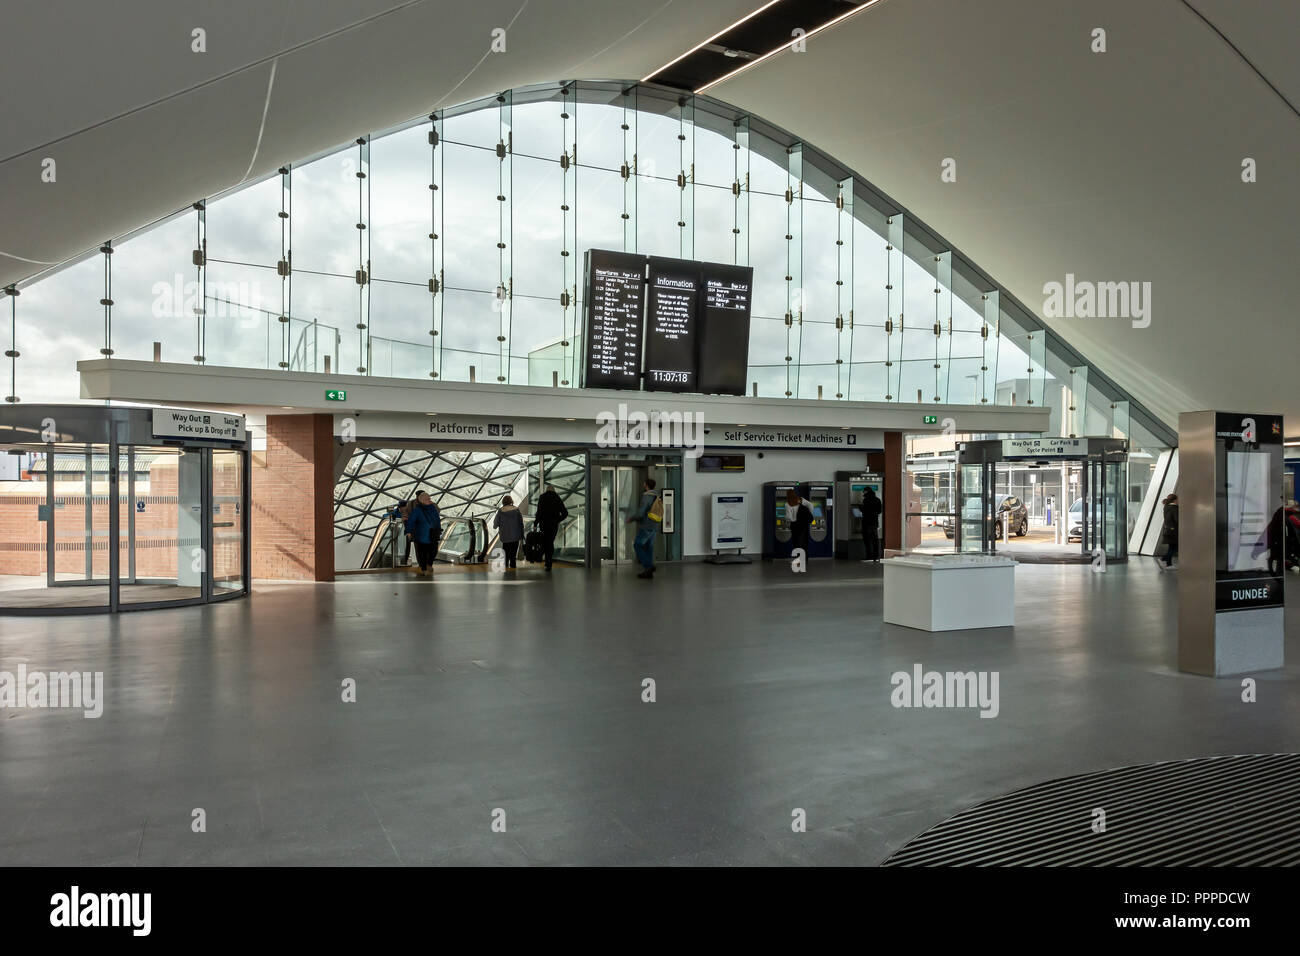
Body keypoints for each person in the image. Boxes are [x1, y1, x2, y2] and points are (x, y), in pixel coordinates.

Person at [626, 477, 660, 579]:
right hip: (655, 524)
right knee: (649, 546)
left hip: (646, 525)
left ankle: (648, 566)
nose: (643, 485)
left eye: (644, 483)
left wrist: (631, 519)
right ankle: (648, 572)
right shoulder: (657, 496)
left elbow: (641, 513)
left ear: (646, 485)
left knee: (637, 545)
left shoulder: (647, 496)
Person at [406, 490, 442, 576]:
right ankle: (423, 568)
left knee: (434, 551)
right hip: (421, 534)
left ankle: (429, 563)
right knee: (422, 552)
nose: (429, 499)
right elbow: (411, 521)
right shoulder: (417, 509)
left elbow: (437, 518)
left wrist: (438, 529)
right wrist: (408, 531)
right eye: (427, 498)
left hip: (433, 534)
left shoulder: (433, 507)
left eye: (429, 498)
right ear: (421, 499)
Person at [536, 483, 569, 572]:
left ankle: (542, 558)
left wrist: (536, 523)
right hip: (553, 525)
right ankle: (548, 564)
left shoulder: (542, 497)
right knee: (550, 542)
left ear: (547, 490)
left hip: (544, 524)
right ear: (554, 490)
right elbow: (565, 513)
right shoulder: (557, 498)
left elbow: (539, 512)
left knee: (545, 542)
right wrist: (557, 520)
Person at [493, 495, 525, 570]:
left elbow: (496, 523)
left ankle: (506, 564)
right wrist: (522, 533)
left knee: (506, 550)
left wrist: (495, 526)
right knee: (513, 552)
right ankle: (513, 564)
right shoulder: (516, 510)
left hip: (505, 535)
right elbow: (521, 523)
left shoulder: (501, 511)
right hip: (515, 535)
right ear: (511, 501)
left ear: (503, 502)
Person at [786, 488, 813, 558]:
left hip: (794, 524)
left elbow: (788, 517)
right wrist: (809, 513)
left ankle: (797, 557)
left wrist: (791, 519)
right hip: (802, 524)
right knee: (802, 541)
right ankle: (803, 557)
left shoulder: (787, 504)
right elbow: (811, 505)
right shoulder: (800, 500)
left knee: (795, 542)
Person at [388, 499, 413, 567]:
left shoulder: (409, 512)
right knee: (399, 547)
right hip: (397, 534)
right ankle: (401, 561)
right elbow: (387, 517)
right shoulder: (395, 513)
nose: (405, 510)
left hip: (406, 534)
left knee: (406, 546)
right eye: (404, 508)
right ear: (400, 507)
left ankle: (405, 560)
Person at [861, 487, 883, 563]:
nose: (863, 493)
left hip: (866, 523)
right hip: (874, 523)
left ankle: (868, 556)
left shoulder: (866, 500)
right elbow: (880, 511)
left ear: (866, 491)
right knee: (875, 541)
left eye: (863, 491)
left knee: (867, 541)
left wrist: (860, 507)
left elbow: (864, 510)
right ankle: (876, 557)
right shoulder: (877, 500)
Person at [1158, 493, 1178, 571]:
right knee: (1175, 548)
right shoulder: (1174, 508)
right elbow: (1177, 520)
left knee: (1171, 547)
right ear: (1175, 500)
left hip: (1168, 530)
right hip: (1174, 531)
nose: (1178, 501)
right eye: (1177, 499)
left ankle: (1169, 565)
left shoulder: (1166, 507)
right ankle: (1163, 559)